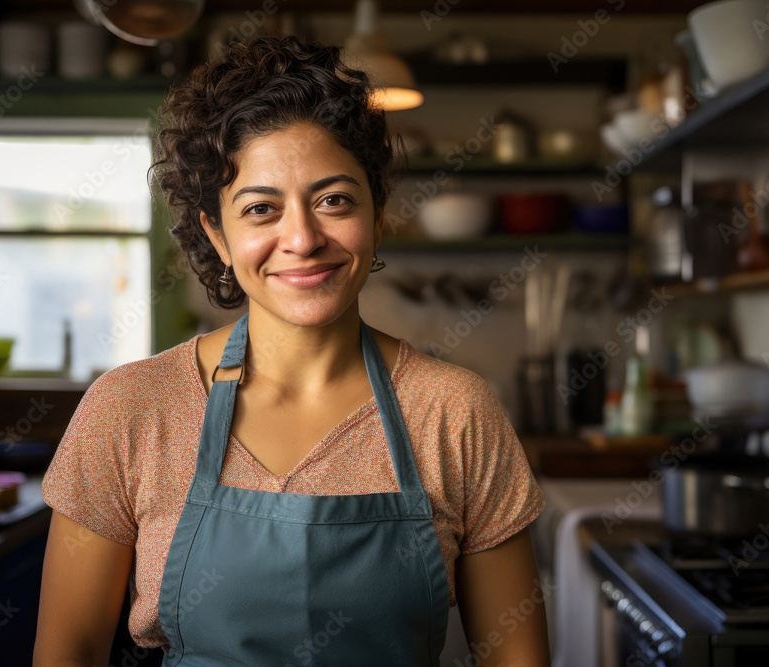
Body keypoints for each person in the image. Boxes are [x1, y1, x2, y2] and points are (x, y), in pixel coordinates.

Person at [34, 35, 550, 666]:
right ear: (217, 235)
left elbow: (516, 659)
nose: (302, 238)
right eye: (261, 209)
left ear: (377, 212)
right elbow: (69, 655)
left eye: (333, 200)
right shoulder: (132, 409)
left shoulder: (453, 412)